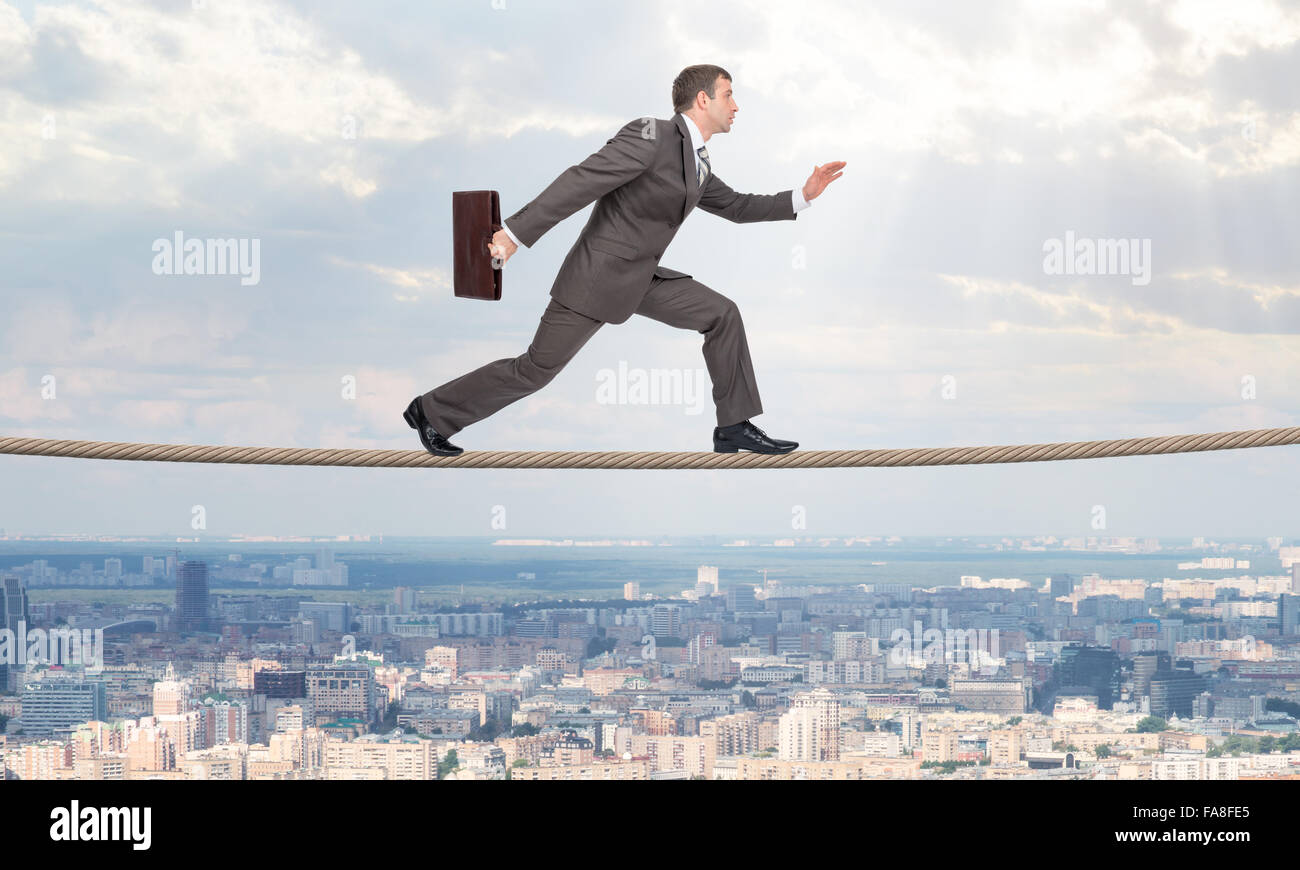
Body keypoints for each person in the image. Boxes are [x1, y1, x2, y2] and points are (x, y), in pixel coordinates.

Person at [405, 63, 845, 456]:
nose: (736, 105)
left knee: (722, 315)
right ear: (703, 99)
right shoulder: (650, 135)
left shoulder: (696, 162)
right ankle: (431, 412)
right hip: (597, 278)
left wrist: (802, 197)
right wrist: (515, 234)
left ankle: (733, 426)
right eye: (729, 95)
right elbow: (583, 180)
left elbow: (736, 207)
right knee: (535, 370)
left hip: (641, 279)